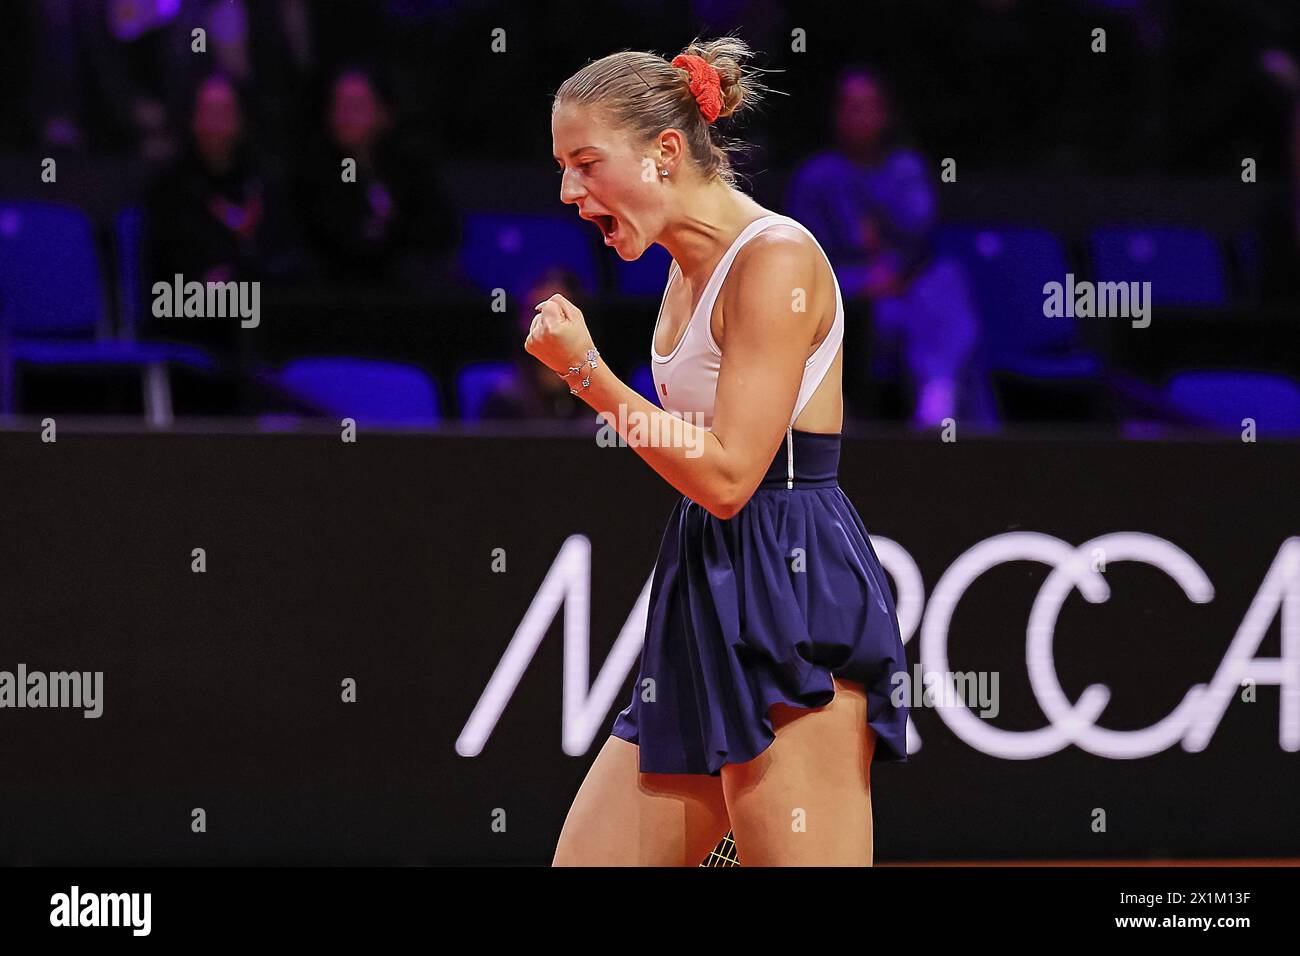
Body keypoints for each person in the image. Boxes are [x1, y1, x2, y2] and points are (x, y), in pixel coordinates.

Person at [529, 37, 909, 866]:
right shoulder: (679, 272)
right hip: (703, 581)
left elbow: (734, 474)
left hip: (793, 578)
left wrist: (589, 377)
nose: (569, 190)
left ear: (666, 151)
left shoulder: (777, 261)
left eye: (586, 163)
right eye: (563, 168)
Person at [786, 66, 997, 429]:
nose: (861, 116)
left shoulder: (905, 169)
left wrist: (895, 274)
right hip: (844, 294)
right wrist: (863, 281)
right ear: (836, 114)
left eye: (869, 106)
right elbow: (801, 258)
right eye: (851, 107)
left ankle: (938, 399)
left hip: (903, 287)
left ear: (885, 113)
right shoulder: (816, 176)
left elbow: (920, 238)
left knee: (945, 284)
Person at [480, 268, 603, 423]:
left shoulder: (602, 397)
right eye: (536, 316)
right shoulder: (504, 397)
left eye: (558, 318)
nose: (547, 329)